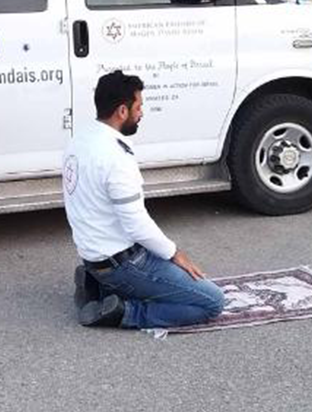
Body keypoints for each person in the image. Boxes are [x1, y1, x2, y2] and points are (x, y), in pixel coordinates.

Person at [62, 70, 225, 328]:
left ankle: (97, 285)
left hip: (94, 256)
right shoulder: (116, 157)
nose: (141, 113)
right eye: (138, 107)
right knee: (212, 302)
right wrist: (175, 254)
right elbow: (136, 224)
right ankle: (125, 312)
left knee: (160, 265)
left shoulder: (79, 139)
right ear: (122, 111)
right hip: (123, 264)